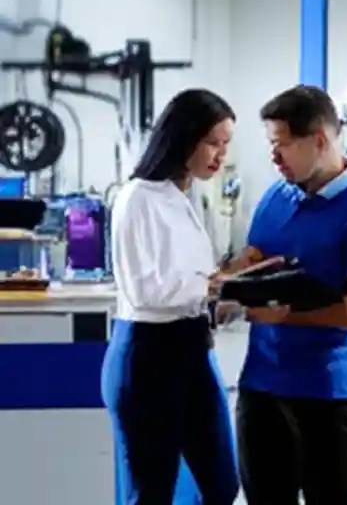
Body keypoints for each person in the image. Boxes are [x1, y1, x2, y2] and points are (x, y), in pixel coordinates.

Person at [233, 84, 347, 505]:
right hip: (261, 384)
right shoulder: (277, 195)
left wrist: (286, 316)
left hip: (327, 393)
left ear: (319, 140)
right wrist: (216, 278)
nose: (273, 157)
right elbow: (256, 254)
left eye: (281, 145)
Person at [100, 88, 262, 505]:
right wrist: (215, 283)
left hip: (191, 349)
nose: (219, 155)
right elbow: (145, 290)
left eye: (225, 144)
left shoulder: (182, 196)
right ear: (183, 137)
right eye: (212, 142)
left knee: (222, 484)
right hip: (149, 356)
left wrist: (231, 284)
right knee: (152, 490)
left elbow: (187, 281)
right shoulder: (137, 198)